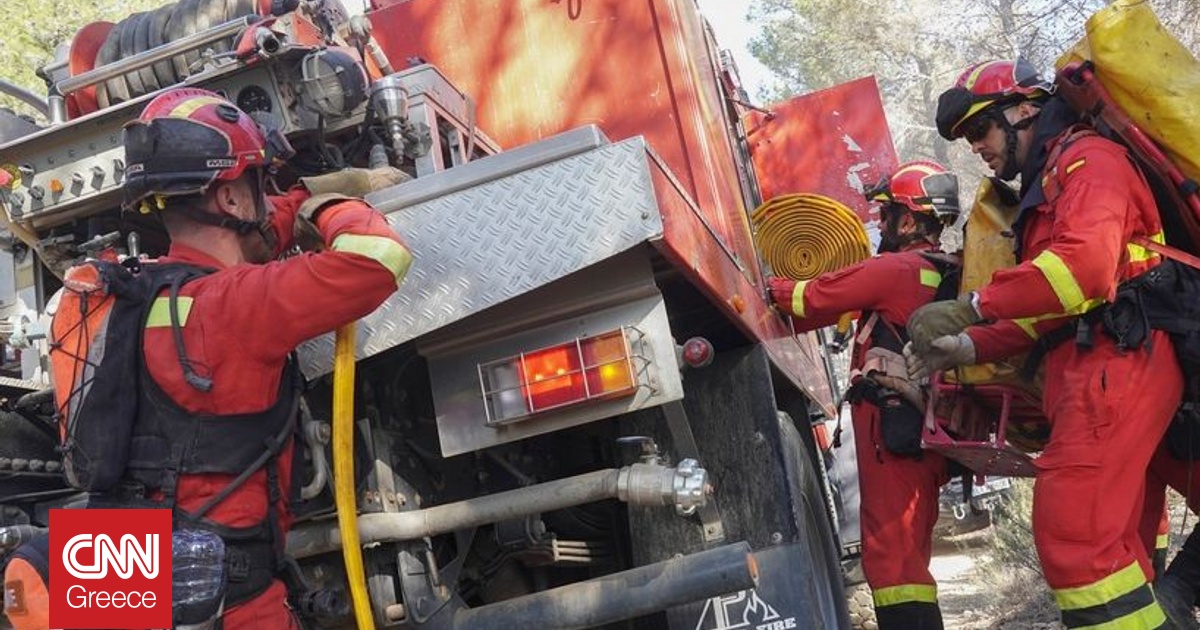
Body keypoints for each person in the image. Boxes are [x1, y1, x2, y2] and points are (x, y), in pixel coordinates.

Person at [34, 87, 411, 629]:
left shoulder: (133, 296)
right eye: (259, 185)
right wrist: (333, 204)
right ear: (232, 199)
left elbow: (247, 237)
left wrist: (292, 200)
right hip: (230, 597)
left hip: (128, 577)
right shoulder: (236, 305)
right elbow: (380, 259)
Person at [908, 57, 1184, 629]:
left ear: (1025, 108)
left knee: (1075, 538)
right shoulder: (1049, 189)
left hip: (1119, 362)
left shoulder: (1089, 160)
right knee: (1115, 543)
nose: (977, 148)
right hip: (1094, 367)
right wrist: (967, 346)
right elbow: (1048, 312)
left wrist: (975, 305)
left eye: (980, 130)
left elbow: (1082, 270)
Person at [768, 161, 961, 629]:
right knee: (909, 551)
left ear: (909, 219)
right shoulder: (944, 271)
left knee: (893, 560)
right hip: (925, 428)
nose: (880, 223)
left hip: (892, 428)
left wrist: (761, 279)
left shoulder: (896, 269)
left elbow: (806, 299)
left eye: (886, 213)